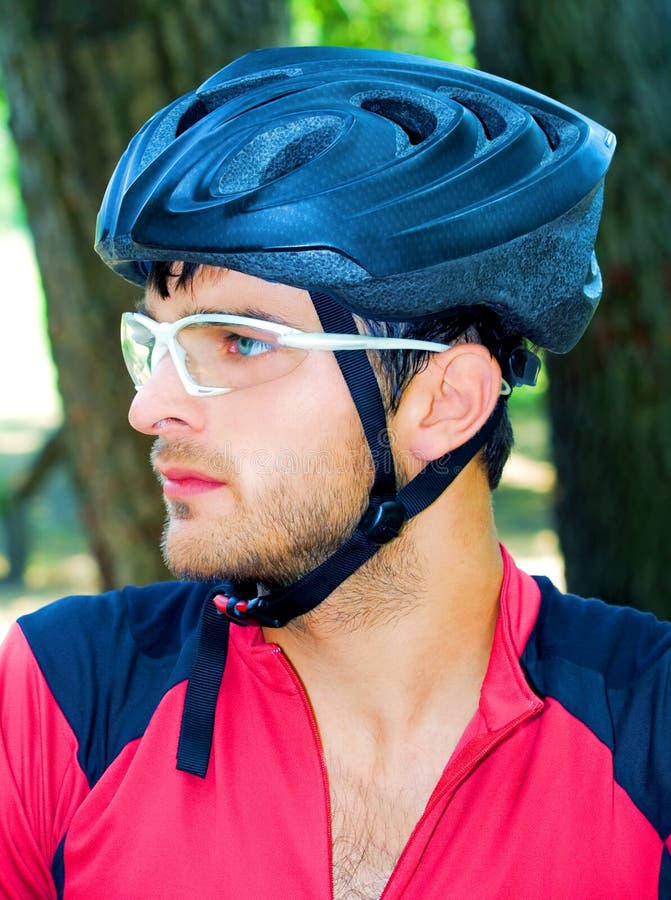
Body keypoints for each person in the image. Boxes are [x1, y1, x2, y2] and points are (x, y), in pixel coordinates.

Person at [0, 45, 667, 898]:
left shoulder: (646, 737)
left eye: (239, 341)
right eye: (156, 344)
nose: (151, 407)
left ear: (444, 402)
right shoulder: (67, 699)